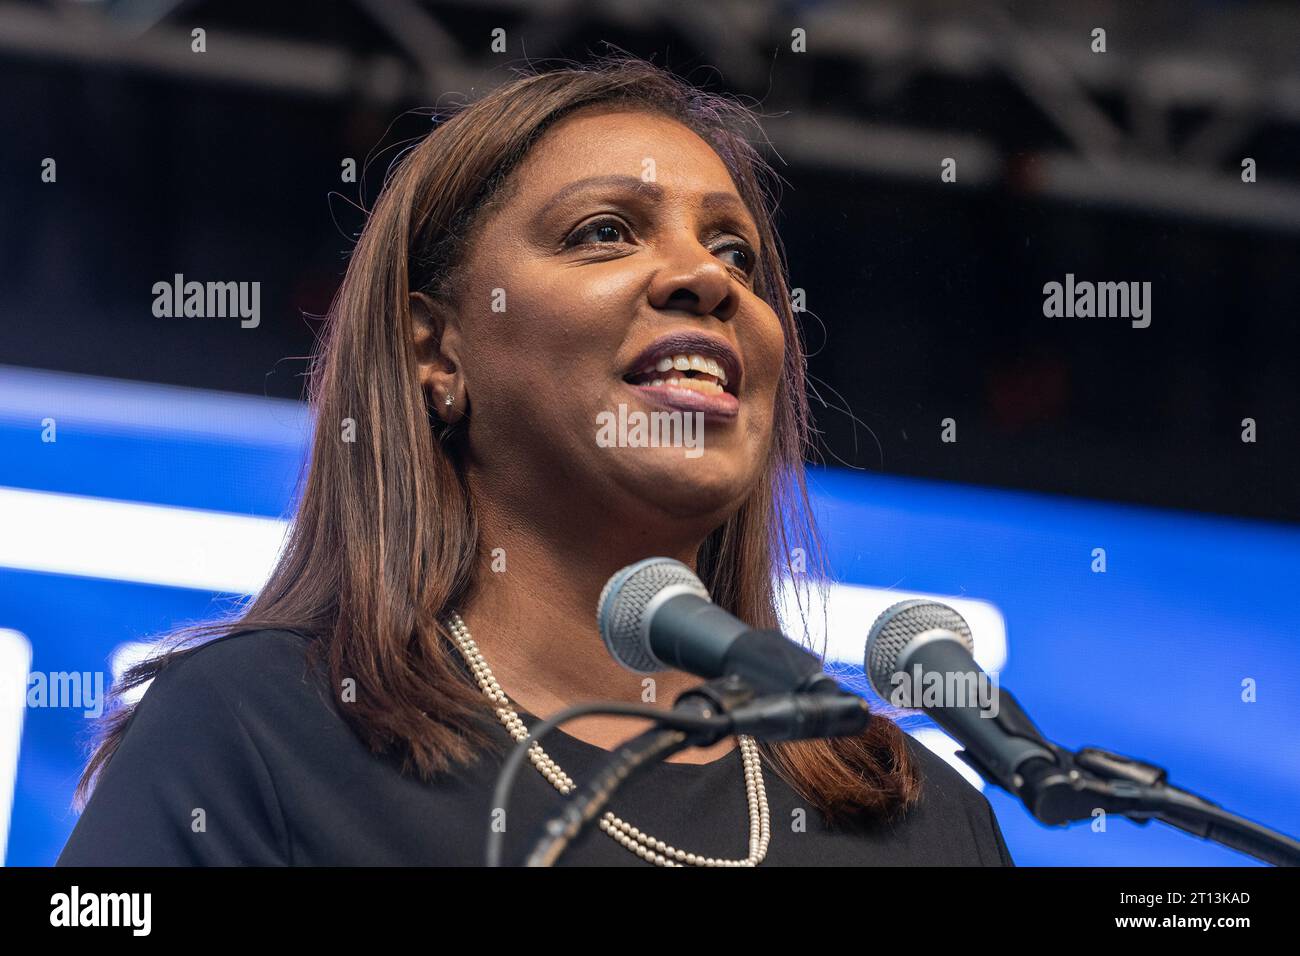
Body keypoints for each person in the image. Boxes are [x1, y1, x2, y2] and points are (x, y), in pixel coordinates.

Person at [58, 54, 1014, 867]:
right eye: (603, 232)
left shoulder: (916, 823)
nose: (706, 278)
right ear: (438, 352)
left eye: (737, 253)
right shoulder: (256, 735)